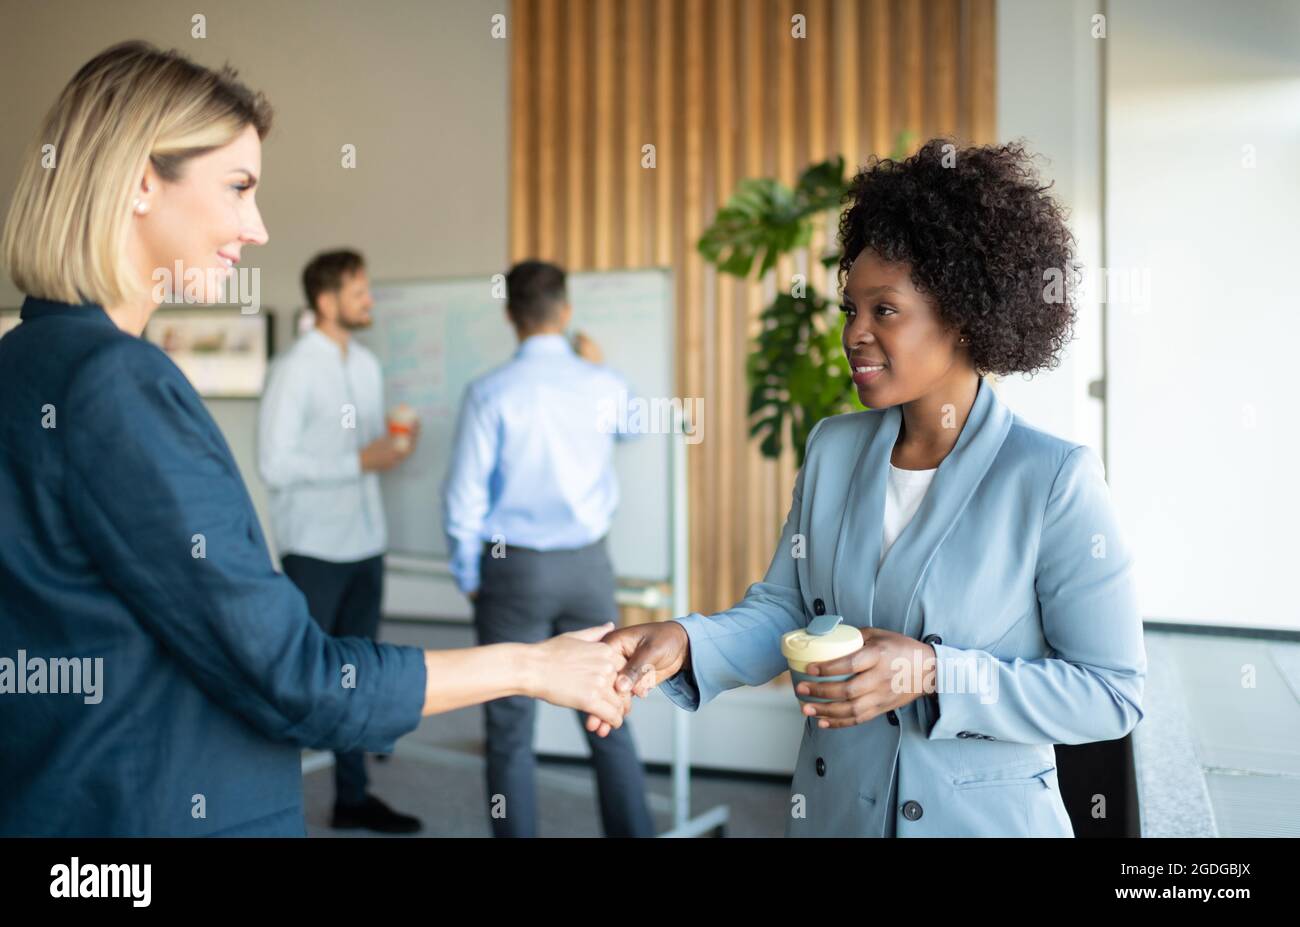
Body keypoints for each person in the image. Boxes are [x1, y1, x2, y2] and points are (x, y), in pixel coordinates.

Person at [0, 40, 629, 838]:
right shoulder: (116, 383)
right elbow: (297, 676)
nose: (256, 228)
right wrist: (533, 665)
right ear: (138, 181)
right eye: (237, 188)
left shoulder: (26, 358)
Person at [600, 139, 1147, 837]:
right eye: (848, 309)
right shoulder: (834, 447)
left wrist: (932, 673)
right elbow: (789, 611)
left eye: (883, 310)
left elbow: (1111, 691)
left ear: (962, 313)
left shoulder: (1050, 479)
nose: (854, 333)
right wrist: (686, 639)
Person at [441, 260, 655, 837]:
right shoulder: (602, 385)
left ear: (510, 316)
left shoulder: (488, 392)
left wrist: (470, 575)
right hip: (587, 565)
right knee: (608, 709)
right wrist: (600, 367)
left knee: (509, 722)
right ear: (564, 311)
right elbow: (636, 427)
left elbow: (462, 499)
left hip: (512, 568)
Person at [258, 249, 422, 832]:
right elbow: (274, 463)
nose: (369, 299)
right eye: (359, 291)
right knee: (301, 678)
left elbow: (371, 453)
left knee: (357, 675)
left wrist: (398, 443)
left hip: (364, 544)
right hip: (315, 550)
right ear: (326, 302)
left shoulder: (368, 366)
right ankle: (262, 800)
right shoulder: (294, 368)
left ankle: (352, 798)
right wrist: (360, 458)